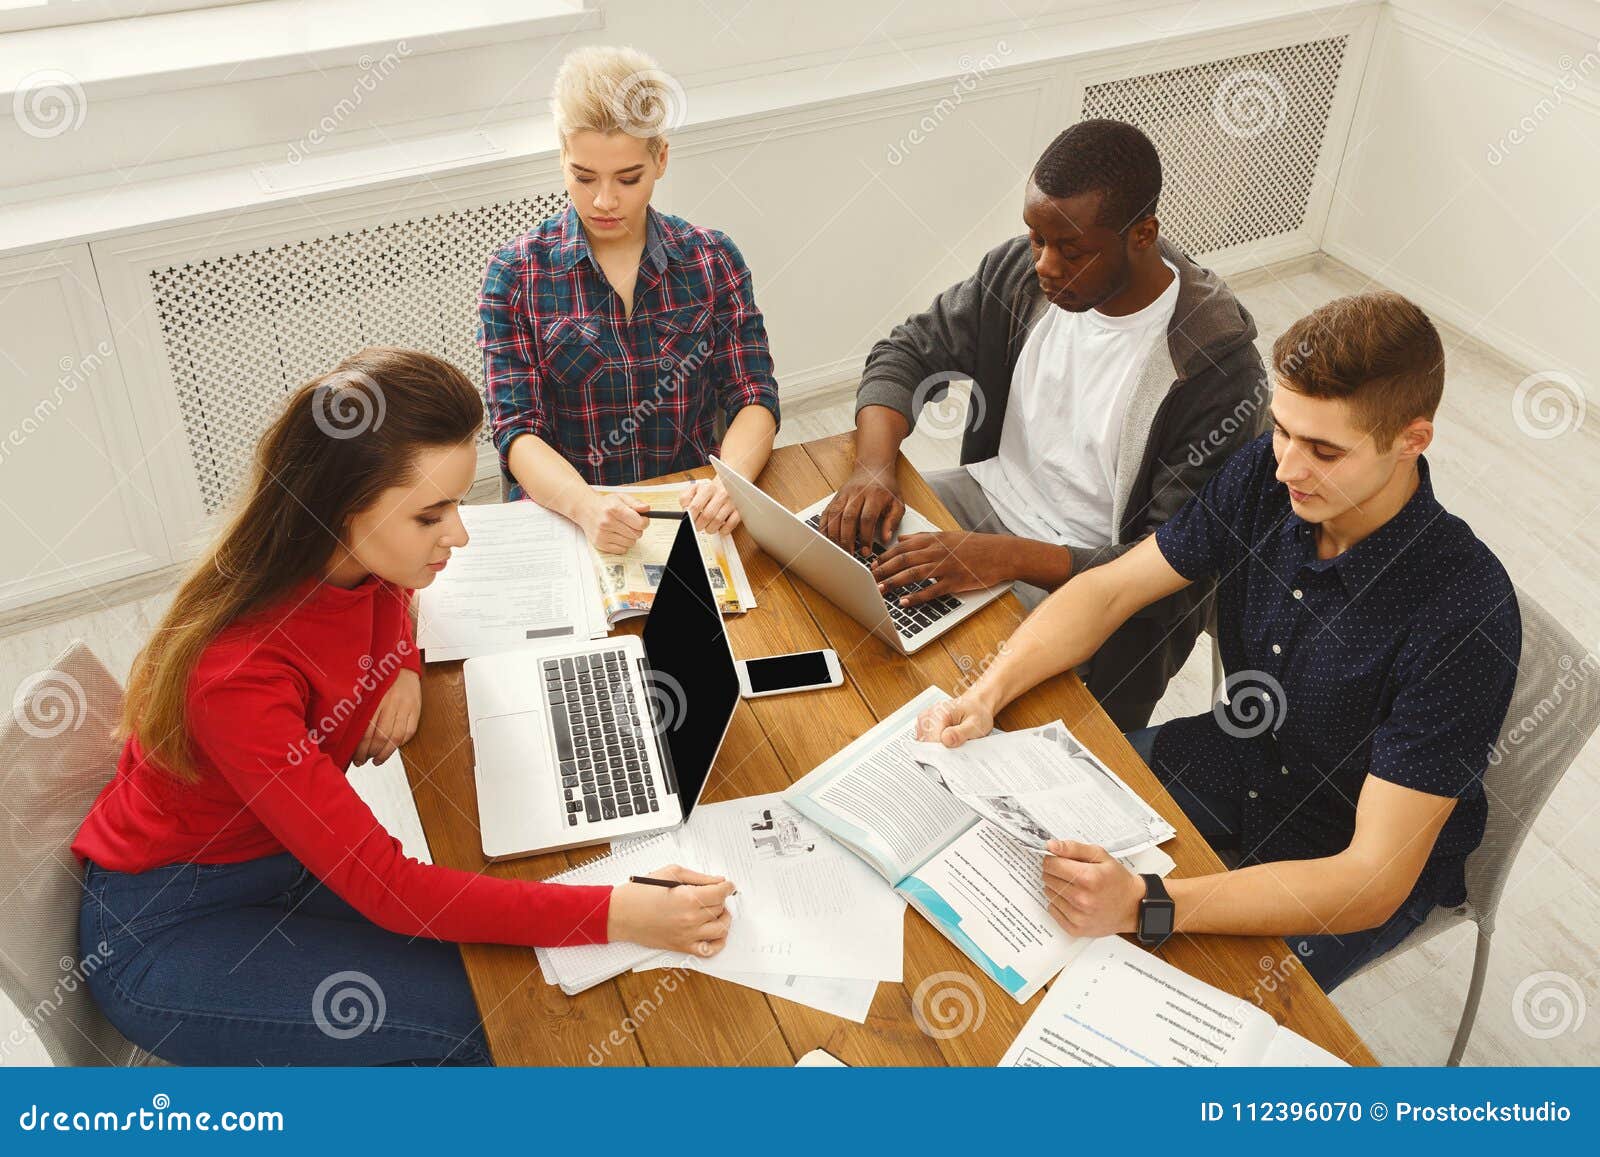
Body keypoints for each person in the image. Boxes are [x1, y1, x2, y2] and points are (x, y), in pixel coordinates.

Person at [73, 348, 735, 1066]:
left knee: (520, 972)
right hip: (172, 928)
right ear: (339, 510)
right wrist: (622, 910)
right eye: (431, 515)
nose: (460, 533)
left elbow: (399, 600)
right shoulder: (236, 675)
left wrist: (404, 667)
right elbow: (389, 889)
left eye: (457, 501)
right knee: (504, 1023)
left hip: (277, 859)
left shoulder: (360, 564)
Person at [916, 292, 1520, 993]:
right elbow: (1110, 589)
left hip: (1334, 857)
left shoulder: (1467, 613)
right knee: (984, 855)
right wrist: (987, 694)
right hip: (1235, 758)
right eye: (1283, 430)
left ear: (1412, 440)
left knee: (1138, 1026)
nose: (1289, 466)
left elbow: (1369, 880)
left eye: (1324, 449)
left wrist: (1150, 904)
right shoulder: (1267, 475)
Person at [820, 119, 1266, 730]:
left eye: (1072, 251)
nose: (1045, 265)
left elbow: (1172, 566)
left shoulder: (1213, 364)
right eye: (1035, 239)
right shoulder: (1022, 273)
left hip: (1095, 587)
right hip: (978, 503)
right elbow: (906, 353)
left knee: (928, 710)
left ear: (1143, 234)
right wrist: (873, 471)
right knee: (827, 580)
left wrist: (1004, 558)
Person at [479, 45, 780, 553]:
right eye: (583, 176)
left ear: (660, 158)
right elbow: (517, 431)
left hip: (693, 512)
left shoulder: (712, 259)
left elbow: (753, 394)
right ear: (561, 156)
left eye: (627, 178)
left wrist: (730, 484)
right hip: (570, 516)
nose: (603, 201)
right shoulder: (515, 274)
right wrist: (584, 505)